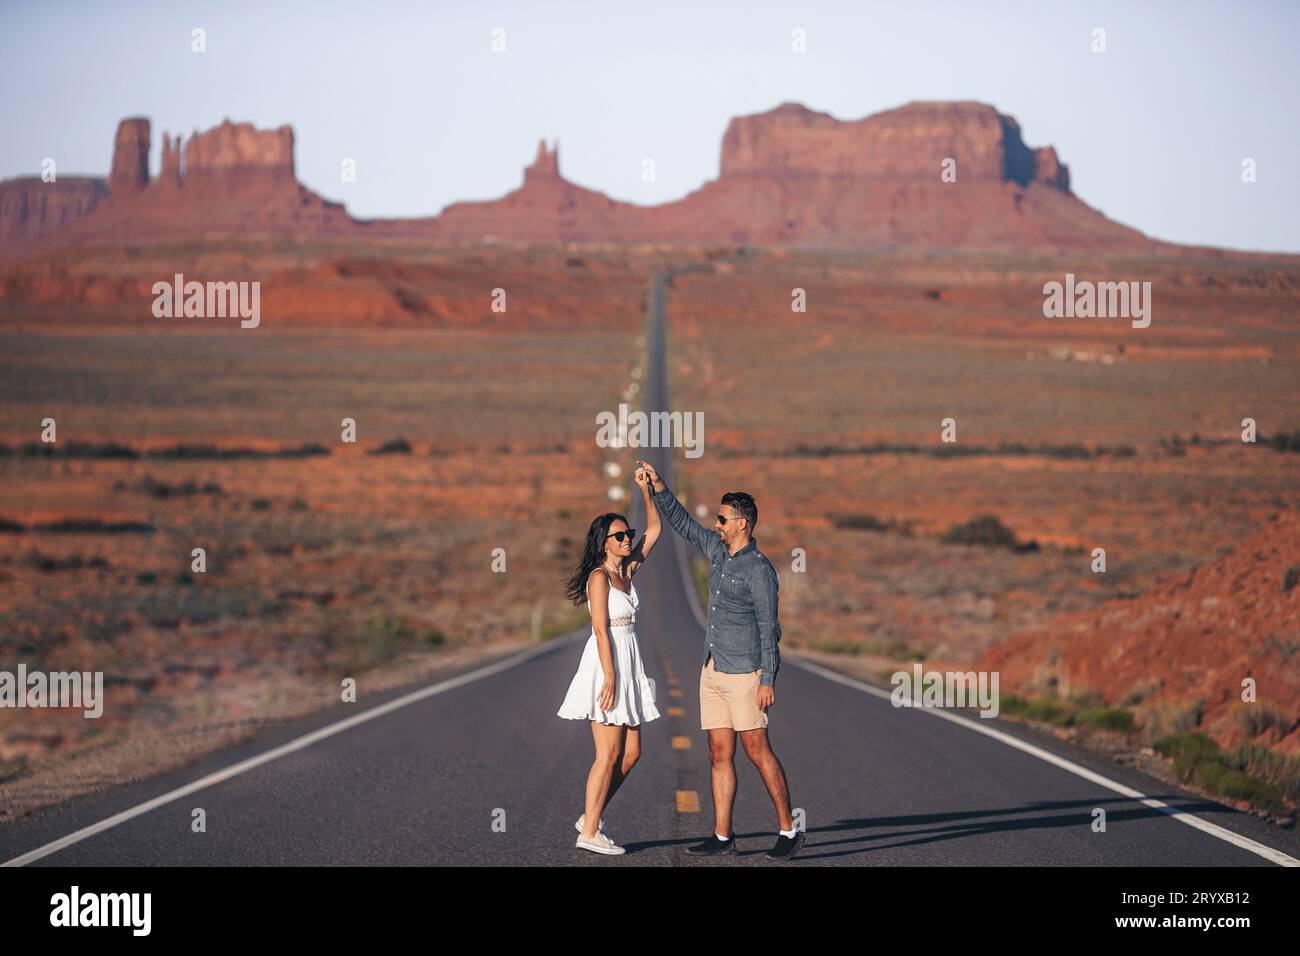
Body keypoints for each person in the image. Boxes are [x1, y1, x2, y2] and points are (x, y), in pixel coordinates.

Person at [636, 459, 804, 861]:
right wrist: (659, 486)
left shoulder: (759, 570)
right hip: (711, 669)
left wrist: (768, 679)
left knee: (758, 751)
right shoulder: (718, 550)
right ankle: (723, 835)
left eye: (723, 519)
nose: (716, 524)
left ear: (742, 524)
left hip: (745, 674)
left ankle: (788, 830)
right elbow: (683, 525)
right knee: (717, 753)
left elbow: (770, 627)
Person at [556, 466, 662, 855]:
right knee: (609, 753)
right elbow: (601, 629)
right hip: (607, 663)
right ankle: (590, 830)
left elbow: (655, 531)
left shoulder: (627, 571)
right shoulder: (599, 577)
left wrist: (648, 492)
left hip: (629, 660)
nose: (627, 538)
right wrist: (611, 677)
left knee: (632, 753)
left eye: (627, 534)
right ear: (604, 542)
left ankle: (591, 815)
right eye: (619, 535)